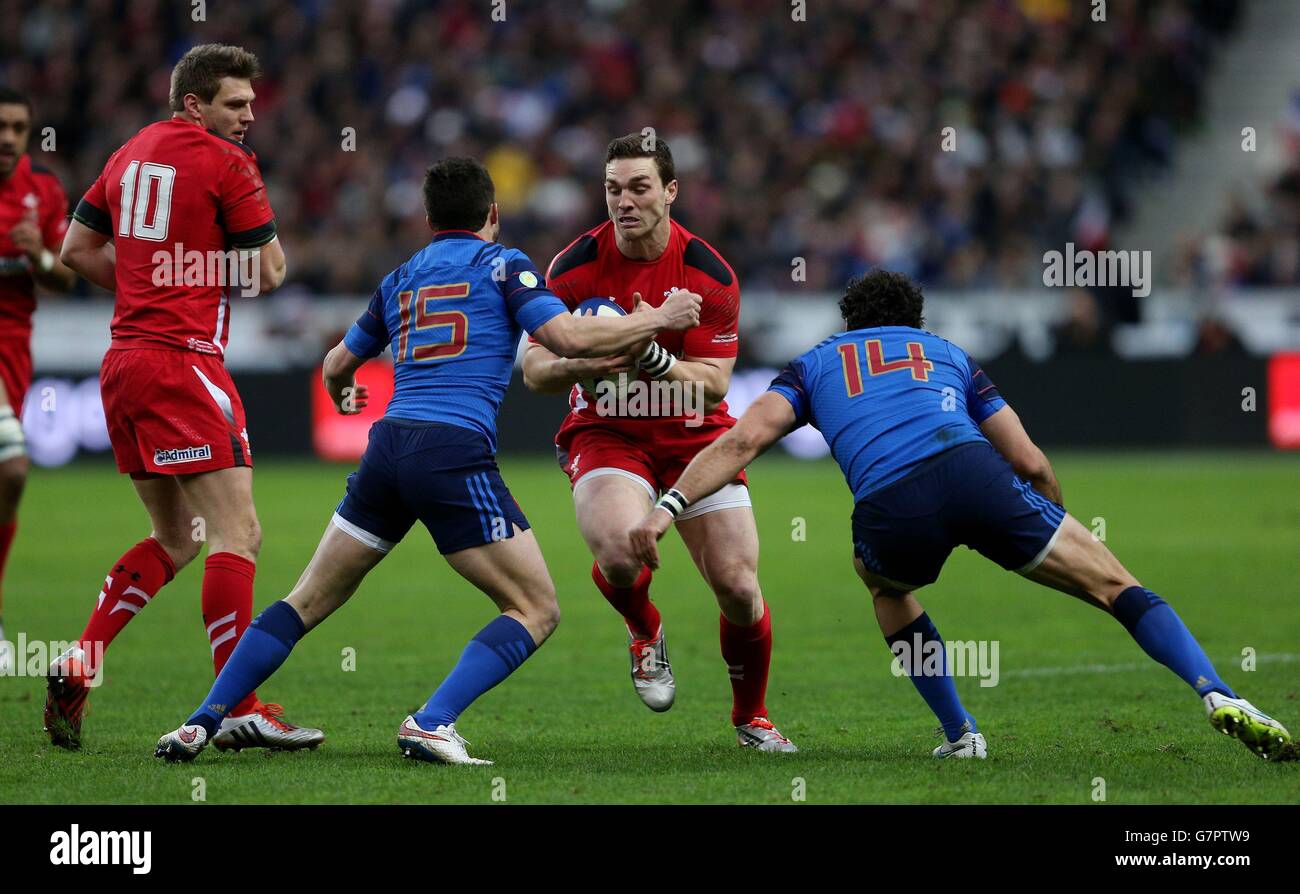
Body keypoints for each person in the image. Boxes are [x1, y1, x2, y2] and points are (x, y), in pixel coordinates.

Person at [155, 157, 702, 765]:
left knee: (304, 600)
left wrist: (344, 397)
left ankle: (202, 720)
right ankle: (431, 721)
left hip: (387, 448)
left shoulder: (402, 276)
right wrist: (660, 318)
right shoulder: (505, 265)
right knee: (535, 608)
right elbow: (567, 339)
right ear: (493, 213)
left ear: (428, 218)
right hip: (451, 453)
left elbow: (337, 364)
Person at [629, 269, 1292, 761]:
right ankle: (1216, 690)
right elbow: (1028, 459)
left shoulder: (814, 364)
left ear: (848, 322)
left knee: (883, 582)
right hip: (978, 478)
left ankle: (961, 734)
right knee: (1118, 587)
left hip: (893, 504)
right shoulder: (948, 355)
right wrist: (1051, 520)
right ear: (914, 320)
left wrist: (667, 508)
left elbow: (741, 441)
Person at [51, 44, 321, 751]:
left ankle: (81, 661)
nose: (249, 117)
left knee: (178, 537)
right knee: (240, 534)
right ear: (194, 104)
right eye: (235, 104)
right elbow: (269, 272)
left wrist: (147, 281)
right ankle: (239, 705)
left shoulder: (130, 150)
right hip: (182, 361)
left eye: (252, 105)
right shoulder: (228, 164)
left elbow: (75, 251)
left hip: (123, 364)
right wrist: (199, 275)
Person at [522, 134, 795, 751]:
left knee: (738, 587)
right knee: (620, 555)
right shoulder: (571, 268)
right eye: (613, 188)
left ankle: (751, 716)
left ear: (670, 191)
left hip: (694, 438)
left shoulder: (708, 273)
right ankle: (646, 630)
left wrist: (647, 357)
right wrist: (588, 369)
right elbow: (535, 370)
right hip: (608, 430)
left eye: (639, 187)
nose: (624, 200)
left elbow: (712, 386)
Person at [0, 86, 77, 675]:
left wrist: (39, 257)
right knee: (13, 465)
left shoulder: (43, 189)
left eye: (18, 128)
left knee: (8, 477)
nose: (7, 137)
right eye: (1, 126)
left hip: (13, 351)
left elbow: (65, 279)